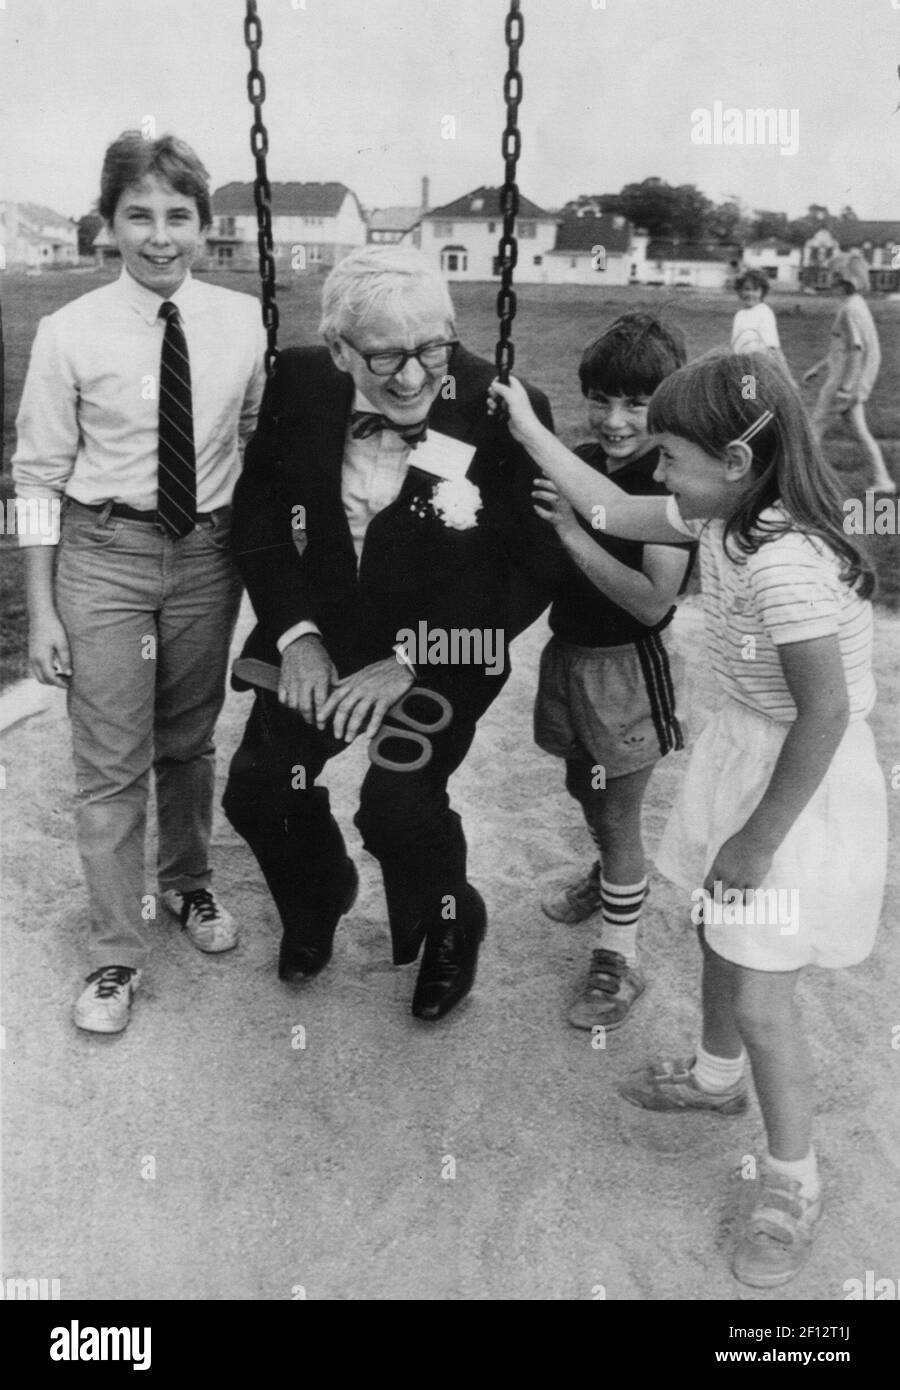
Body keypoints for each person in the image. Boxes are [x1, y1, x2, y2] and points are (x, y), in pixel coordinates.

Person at [490, 352, 886, 1288]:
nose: (655, 474)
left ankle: (793, 1182)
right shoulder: (723, 514)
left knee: (761, 992)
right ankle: (716, 1081)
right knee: (716, 931)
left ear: (736, 465)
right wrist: (528, 430)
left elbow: (825, 714)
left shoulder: (785, 561)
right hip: (745, 755)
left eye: (669, 456)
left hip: (798, 788)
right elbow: (607, 508)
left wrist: (756, 841)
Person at [222, 244, 561, 1022]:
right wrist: (298, 635)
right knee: (260, 790)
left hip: (447, 645)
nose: (411, 379)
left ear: (452, 330)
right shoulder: (302, 382)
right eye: (382, 358)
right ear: (340, 350)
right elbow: (263, 519)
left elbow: (533, 568)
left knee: (396, 803)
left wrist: (410, 660)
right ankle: (319, 894)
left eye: (431, 349)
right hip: (325, 630)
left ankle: (450, 924)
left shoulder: (501, 405)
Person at [12, 131, 267, 1034]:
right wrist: (42, 609)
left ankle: (189, 885)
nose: (161, 236)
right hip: (102, 555)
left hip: (206, 555)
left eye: (179, 216)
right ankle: (117, 952)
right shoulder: (68, 331)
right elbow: (35, 479)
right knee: (108, 762)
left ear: (203, 224)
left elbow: (253, 443)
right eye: (140, 216)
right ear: (108, 225)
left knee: (188, 740)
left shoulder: (241, 321)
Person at [532, 313, 693, 1033]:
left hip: (630, 668)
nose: (614, 419)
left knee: (621, 814)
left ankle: (618, 958)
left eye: (635, 403)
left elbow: (653, 603)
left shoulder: (671, 487)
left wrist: (569, 529)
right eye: (601, 399)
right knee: (580, 782)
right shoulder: (578, 460)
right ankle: (608, 875)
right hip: (567, 656)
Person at [803, 250, 895, 493]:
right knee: (859, 432)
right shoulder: (856, 305)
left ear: (846, 280)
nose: (830, 282)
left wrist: (846, 388)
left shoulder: (850, 311)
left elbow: (856, 351)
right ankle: (882, 479)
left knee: (815, 427)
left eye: (834, 277)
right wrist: (819, 367)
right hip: (849, 383)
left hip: (842, 384)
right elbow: (842, 349)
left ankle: (801, 479)